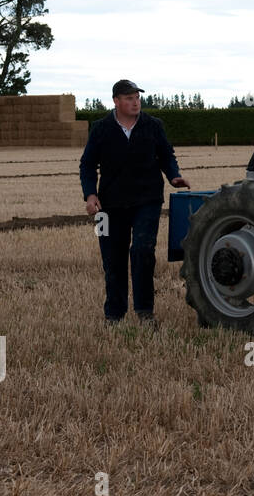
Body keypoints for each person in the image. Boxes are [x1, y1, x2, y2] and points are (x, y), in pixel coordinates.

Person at [79, 80, 190, 325]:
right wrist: (90, 195)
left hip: (147, 200)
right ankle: (114, 315)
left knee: (143, 251)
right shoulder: (100, 128)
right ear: (116, 101)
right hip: (109, 206)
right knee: (112, 259)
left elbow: (166, 155)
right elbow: (87, 165)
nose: (136, 102)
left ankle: (145, 312)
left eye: (137, 97)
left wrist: (174, 176)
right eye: (129, 98)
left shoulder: (153, 125)